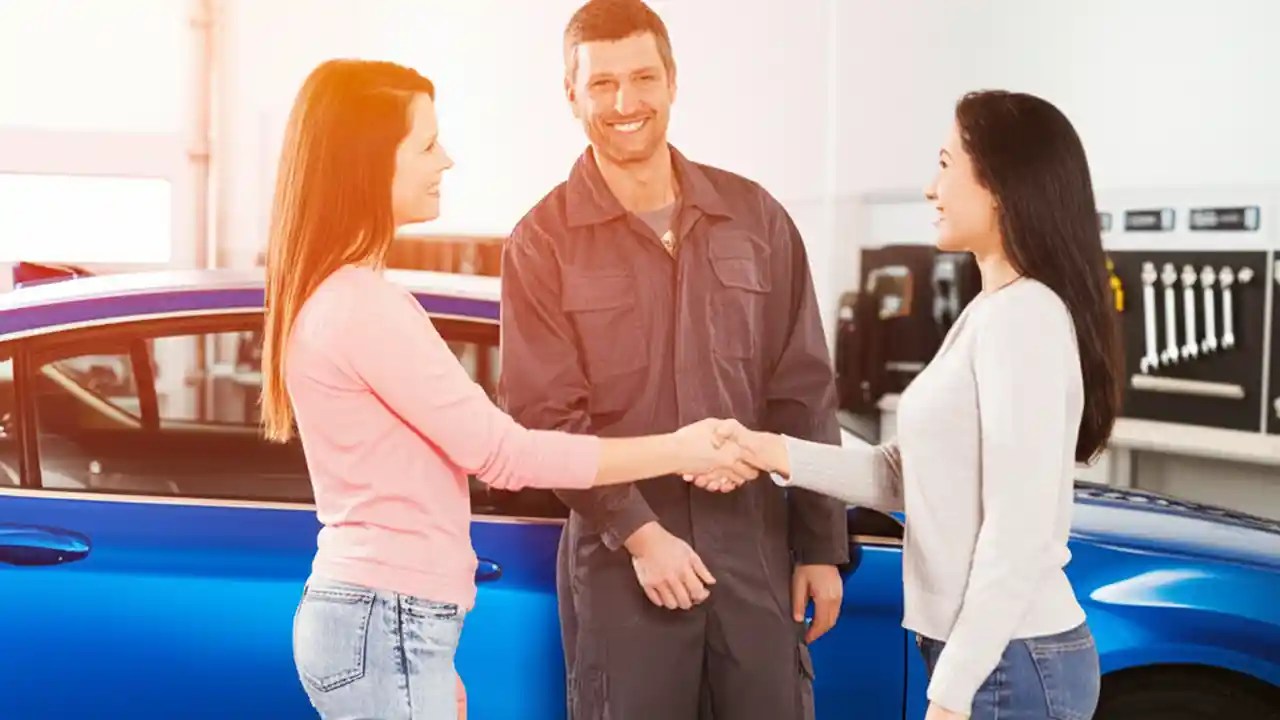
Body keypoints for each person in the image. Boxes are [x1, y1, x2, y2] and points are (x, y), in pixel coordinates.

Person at [258, 58, 753, 720]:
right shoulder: (361, 305)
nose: (447, 161)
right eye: (428, 144)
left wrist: (424, 664)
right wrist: (682, 450)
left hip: (390, 624)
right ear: (368, 161)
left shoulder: (339, 297)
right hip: (390, 620)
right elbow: (503, 454)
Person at [693, 90, 1122, 720]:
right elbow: (905, 476)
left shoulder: (1024, 318)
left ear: (1001, 186)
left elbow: (1019, 533)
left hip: (1007, 660)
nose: (930, 188)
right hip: (989, 655)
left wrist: (951, 695)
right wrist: (767, 450)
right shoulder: (991, 312)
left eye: (946, 164)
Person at [496, 1, 849, 717]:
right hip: (625, 568)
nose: (625, 103)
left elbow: (803, 389)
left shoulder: (755, 219)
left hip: (754, 553)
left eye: (643, 78)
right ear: (571, 93)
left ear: (673, 81)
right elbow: (545, 418)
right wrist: (641, 534)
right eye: (600, 85)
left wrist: (819, 543)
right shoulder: (542, 243)